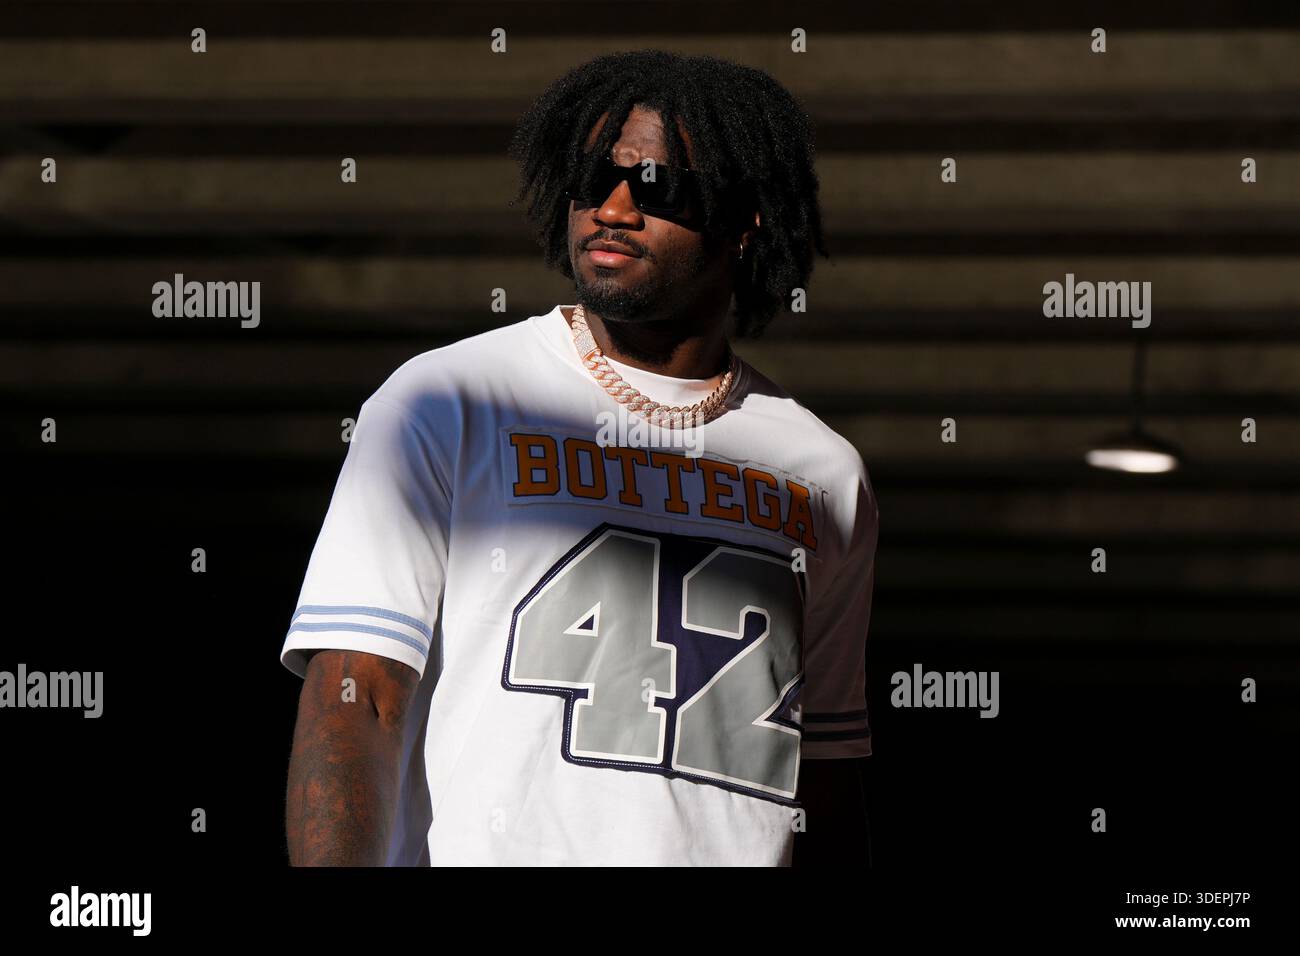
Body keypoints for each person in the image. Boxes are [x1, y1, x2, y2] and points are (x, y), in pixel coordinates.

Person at [281, 50, 879, 866]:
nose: (613, 208)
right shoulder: (448, 400)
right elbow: (359, 696)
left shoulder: (825, 474)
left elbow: (826, 768)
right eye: (592, 179)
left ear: (745, 222)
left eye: (658, 186)